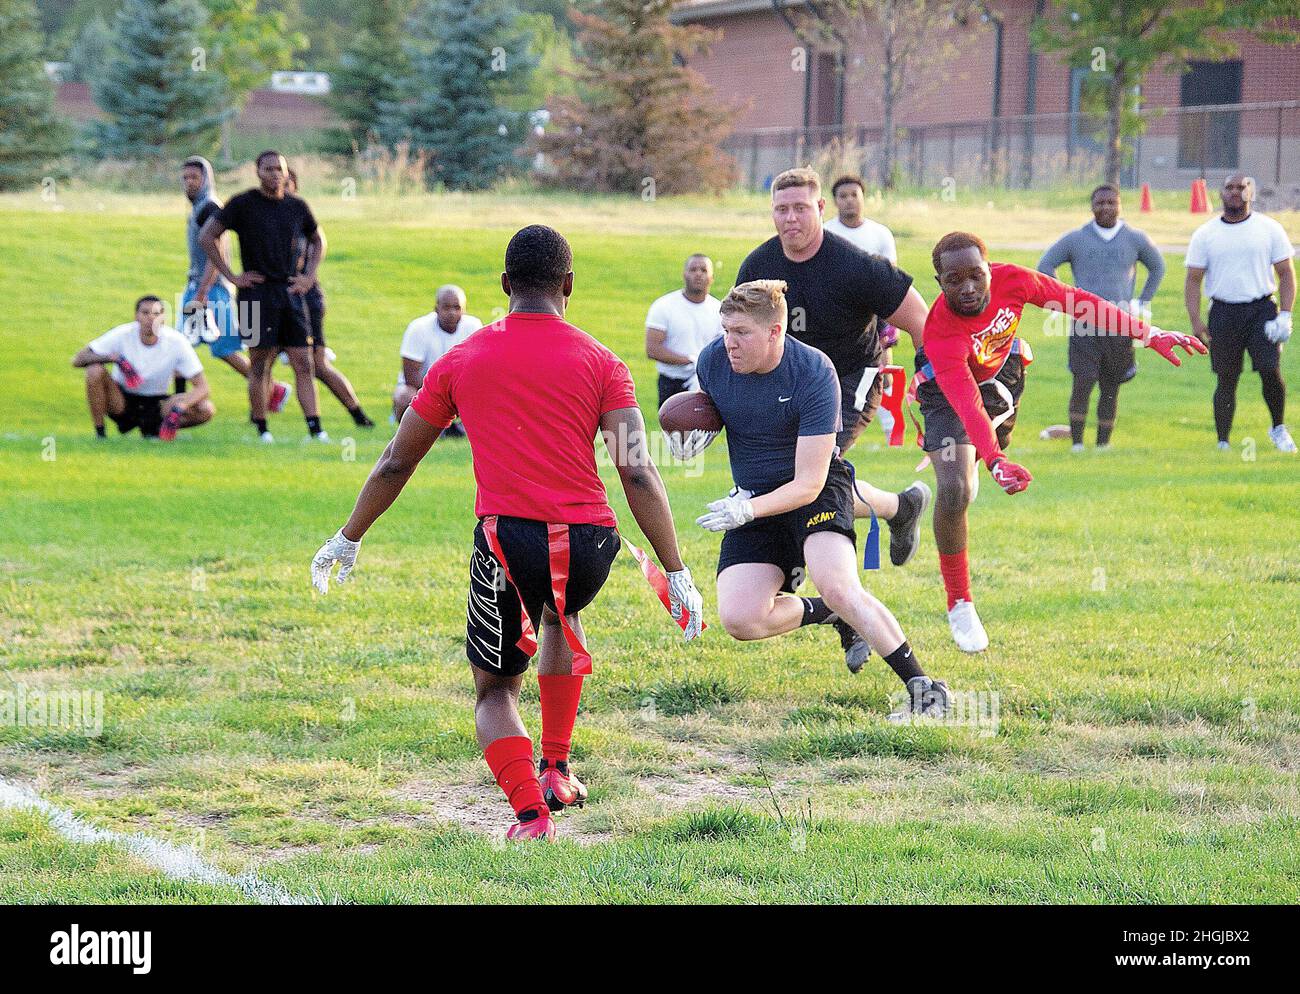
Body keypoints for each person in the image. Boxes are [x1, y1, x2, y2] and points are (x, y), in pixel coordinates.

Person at [311, 225, 705, 841]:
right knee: (559, 615)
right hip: (591, 541)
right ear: (568, 285)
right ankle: (555, 767)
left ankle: (530, 815)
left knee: (495, 690)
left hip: (508, 541)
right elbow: (637, 469)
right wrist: (675, 568)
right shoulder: (604, 361)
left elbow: (396, 459)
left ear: (503, 286)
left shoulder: (461, 359)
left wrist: (349, 535)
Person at [917, 232, 1205, 652]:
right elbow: (965, 402)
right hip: (949, 394)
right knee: (956, 488)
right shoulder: (940, 334)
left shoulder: (1015, 280)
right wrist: (996, 459)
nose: (968, 288)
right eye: (953, 280)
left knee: (970, 474)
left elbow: (1079, 303)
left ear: (990, 269)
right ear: (938, 281)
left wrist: (1149, 333)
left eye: (977, 276)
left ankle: (979, 459)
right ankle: (960, 602)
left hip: (1004, 379)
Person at [686, 279, 948, 717]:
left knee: (841, 585)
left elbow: (808, 483)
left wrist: (746, 509)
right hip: (754, 495)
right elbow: (717, 410)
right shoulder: (714, 360)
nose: (729, 342)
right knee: (740, 618)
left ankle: (924, 688)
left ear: (775, 332)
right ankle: (829, 613)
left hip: (815, 490)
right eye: (725, 329)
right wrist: (694, 436)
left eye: (741, 333)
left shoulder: (813, 371)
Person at [736, 167, 932, 675]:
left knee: (812, 470)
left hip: (851, 385)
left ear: (820, 209)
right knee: (803, 476)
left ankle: (832, 594)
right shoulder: (759, 266)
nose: (791, 218)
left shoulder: (854, 266)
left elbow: (920, 319)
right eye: (782, 209)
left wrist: (931, 376)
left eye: (801, 207)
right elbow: (737, 333)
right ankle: (897, 508)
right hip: (788, 390)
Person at [198, 150, 329, 444]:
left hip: (290, 291)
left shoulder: (297, 206)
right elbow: (207, 236)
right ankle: (261, 427)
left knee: (303, 361)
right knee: (260, 361)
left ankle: (315, 428)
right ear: (257, 172)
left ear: (286, 173)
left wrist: (308, 276)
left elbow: (318, 238)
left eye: (279, 169)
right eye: (268, 169)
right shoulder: (243, 204)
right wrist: (231, 276)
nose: (274, 174)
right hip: (256, 294)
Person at [1038, 183, 1166, 451]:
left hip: (1120, 325)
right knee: (1083, 381)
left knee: (1111, 384)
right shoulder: (1076, 239)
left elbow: (1157, 266)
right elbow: (1045, 264)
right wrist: (1065, 299)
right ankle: (1077, 444)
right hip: (1085, 323)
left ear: (1120, 205)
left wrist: (1142, 302)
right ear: (1092, 206)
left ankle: (1103, 445)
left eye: (1111, 203)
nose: (1106, 208)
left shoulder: (1134, 238)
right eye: (1100, 203)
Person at [1184, 173, 1296, 453]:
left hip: (1261, 309)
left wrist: (1284, 314)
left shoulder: (1269, 229)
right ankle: (1223, 441)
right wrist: (1196, 320)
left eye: (1241, 187)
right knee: (1226, 377)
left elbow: (1286, 273)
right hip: (1223, 311)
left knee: (1270, 371)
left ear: (1251, 192)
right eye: (1229, 188)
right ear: (1220, 193)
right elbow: (1193, 280)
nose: (1235, 192)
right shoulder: (1206, 234)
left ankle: (1279, 429)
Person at [180, 155, 290, 414]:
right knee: (187, 346)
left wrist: (202, 292)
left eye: (194, 177)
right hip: (201, 286)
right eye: (185, 178)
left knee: (219, 347)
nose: (189, 183)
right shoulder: (200, 206)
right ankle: (178, 404)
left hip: (210, 289)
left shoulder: (209, 207)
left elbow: (214, 252)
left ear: (206, 179)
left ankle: (273, 389)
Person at [284, 168, 373, 429]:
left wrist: (307, 279)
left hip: (304, 300)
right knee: (260, 360)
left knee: (317, 365)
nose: (281, 188)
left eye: (287, 183)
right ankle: (259, 422)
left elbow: (315, 246)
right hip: (274, 299)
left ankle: (357, 415)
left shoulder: (300, 219)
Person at [824, 174, 902, 444]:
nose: (849, 201)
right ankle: (834, 423)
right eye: (842, 196)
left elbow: (891, 276)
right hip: (838, 314)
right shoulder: (826, 233)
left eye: (854, 195)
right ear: (834, 201)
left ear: (863, 198)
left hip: (877, 310)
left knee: (883, 368)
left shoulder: (880, 233)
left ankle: (893, 427)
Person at [73, 295, 213, 440]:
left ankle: (158, 428)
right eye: (145, 313)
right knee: (94, 371)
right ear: (136, 316)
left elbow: (203, 388)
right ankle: (100, 434)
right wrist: (113, 358)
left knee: (206, 409)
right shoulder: (121, 334)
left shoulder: (177, 341)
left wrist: (179, 408)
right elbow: (78, 360)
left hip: (158, 402)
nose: (151, 318)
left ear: (163, 318)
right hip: (122, 400)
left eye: (156, 314)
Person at [392, 284, 483, 430]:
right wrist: (445, 396)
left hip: (459, 389)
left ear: (464, 310)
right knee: (404, 395)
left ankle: (462, 429)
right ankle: (416, 431)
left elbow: (478, 370)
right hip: (423, 389)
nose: (452, 313)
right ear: (436, 309)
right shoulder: (418, 328)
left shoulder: (473, 326)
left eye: (457, 308)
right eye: (446, 308)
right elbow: (410, 376)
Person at [645, 254, 722, 410]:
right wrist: (689, 360)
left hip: (704, 382)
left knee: (703, 432)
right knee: (673, 431)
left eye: (703, 270)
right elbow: (652, 349)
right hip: (671, 382)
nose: (698, 274)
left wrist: (702, 366)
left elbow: (723, 347)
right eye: (693, 269)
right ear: (684, 274)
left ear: (711, 277)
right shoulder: (664, 306)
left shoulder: (719, 311)